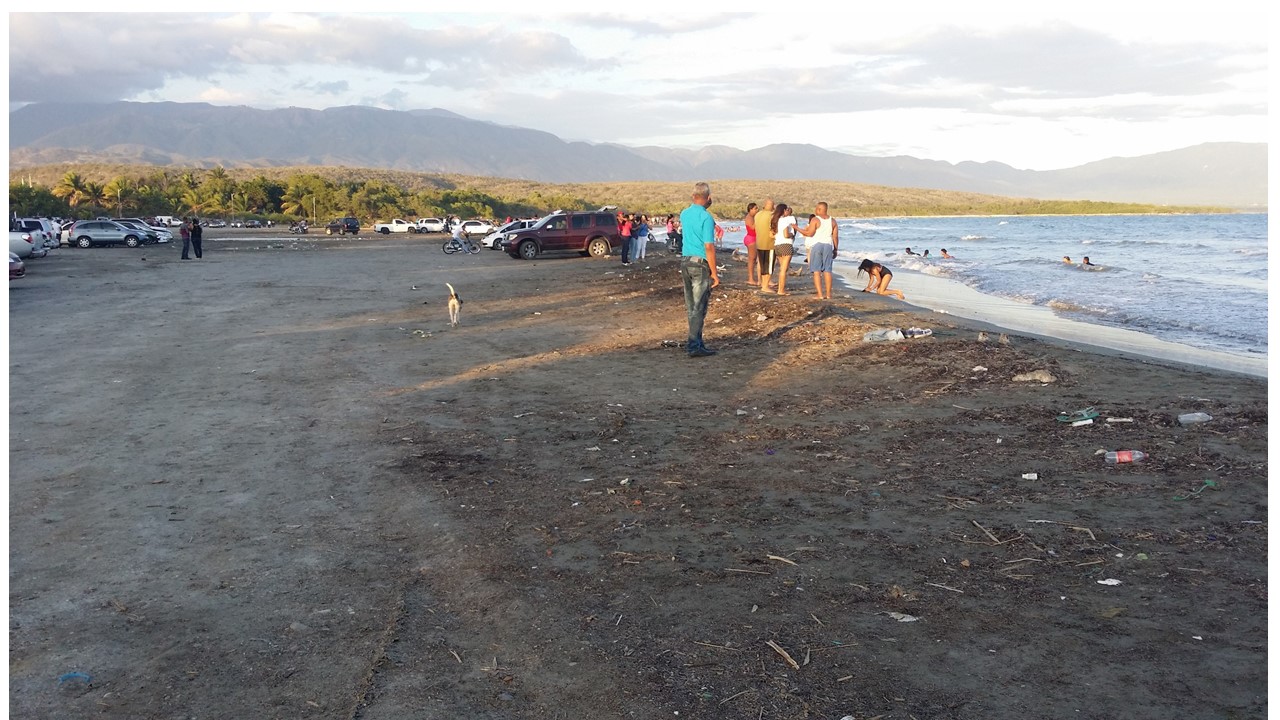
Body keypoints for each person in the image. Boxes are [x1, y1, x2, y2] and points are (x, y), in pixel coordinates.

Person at [679, 182, 719, 358]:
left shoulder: (684, 214)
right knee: (699, 306)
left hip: (686, 261)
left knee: (691, 306)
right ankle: (694, 345)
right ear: (708, 197)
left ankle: (696, 342)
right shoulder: (706, 217)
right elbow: (709, 246)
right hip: (699, 263)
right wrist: (714, 273)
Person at [793, 201, 839, 299]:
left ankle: (820, 294)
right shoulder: (833, 221)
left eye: (816, 208)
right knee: (827, 270)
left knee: (817, 271)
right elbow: (835, 237)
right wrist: (835, 249)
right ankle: (828, 294)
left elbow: (809, 233)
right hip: (828, 246)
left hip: (817, 246)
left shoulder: (815, 220)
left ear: (819, 209)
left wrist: (797, 228)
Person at [767, 204, 797, 295]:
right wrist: (792, 234)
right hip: (786, 244)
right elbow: (786, 235)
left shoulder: (776, 220)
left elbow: (771, 234)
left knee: (782, 268)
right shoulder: (786, 221)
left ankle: (781, 288)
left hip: (777, 245)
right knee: (784, 269)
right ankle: (781, 290)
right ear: (784, 210)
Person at [753, 198, 776, 292]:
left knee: (763, 265)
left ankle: (763, 284)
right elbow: (773, 229)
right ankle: (765, 286)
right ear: (772, 206)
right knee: (769, 266)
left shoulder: (757, 215)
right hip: (769, 243)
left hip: (759, 242)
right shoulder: (772, 215)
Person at [743, 203, 759, 285]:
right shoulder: (749, 217)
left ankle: (752, 278)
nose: (757, 210)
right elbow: (752, 227)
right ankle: (751, 278)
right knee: (752, 259)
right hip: (751, 238)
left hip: (752, 238)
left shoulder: (752, 217)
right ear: (750, 209)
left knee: (753, 259)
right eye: (755, 208)